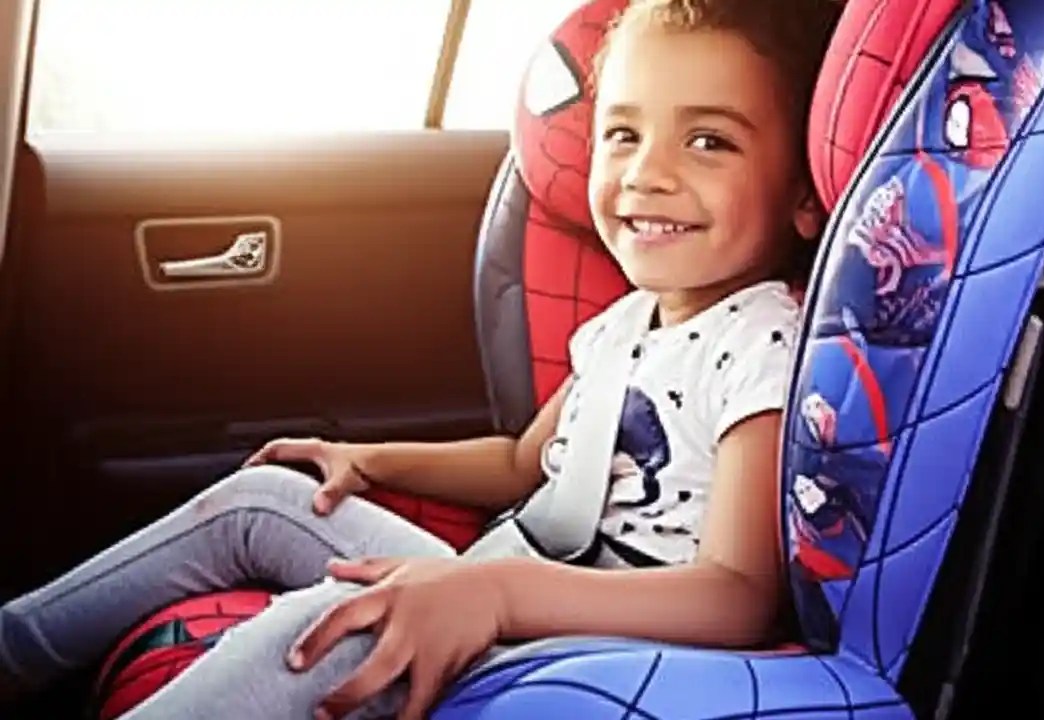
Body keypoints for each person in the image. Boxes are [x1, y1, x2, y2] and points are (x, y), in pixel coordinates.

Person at [0, 1, 843, 717]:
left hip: (603, 635)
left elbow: (735, 594)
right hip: (509, 574)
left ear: (804, 195)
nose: (646, 173)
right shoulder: (626, 323)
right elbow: (522, 463)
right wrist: (368, 461)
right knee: (267, 501)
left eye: (708, 143)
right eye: (622, 133)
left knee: (352, 612)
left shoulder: (763, 342)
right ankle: (14, 652)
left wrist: (498, 595)